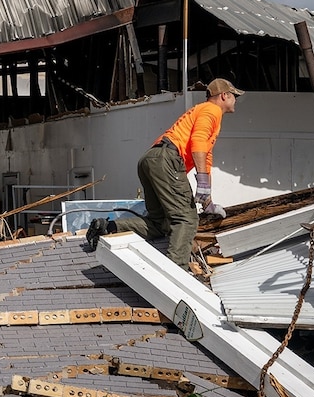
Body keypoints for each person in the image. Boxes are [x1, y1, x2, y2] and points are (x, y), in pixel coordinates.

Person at [86, 79, 243, 272]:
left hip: (151, 159)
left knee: (160, 223)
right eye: (234, 96)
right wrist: (202, 182)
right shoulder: (212, 111)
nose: (236, 100)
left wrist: (207, 200)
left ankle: (107, 228)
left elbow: (206, 156)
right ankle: (176, 274)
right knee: (186, 219)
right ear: (224, 95)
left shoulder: (203, 112)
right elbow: (198, 142)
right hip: (167, 159)